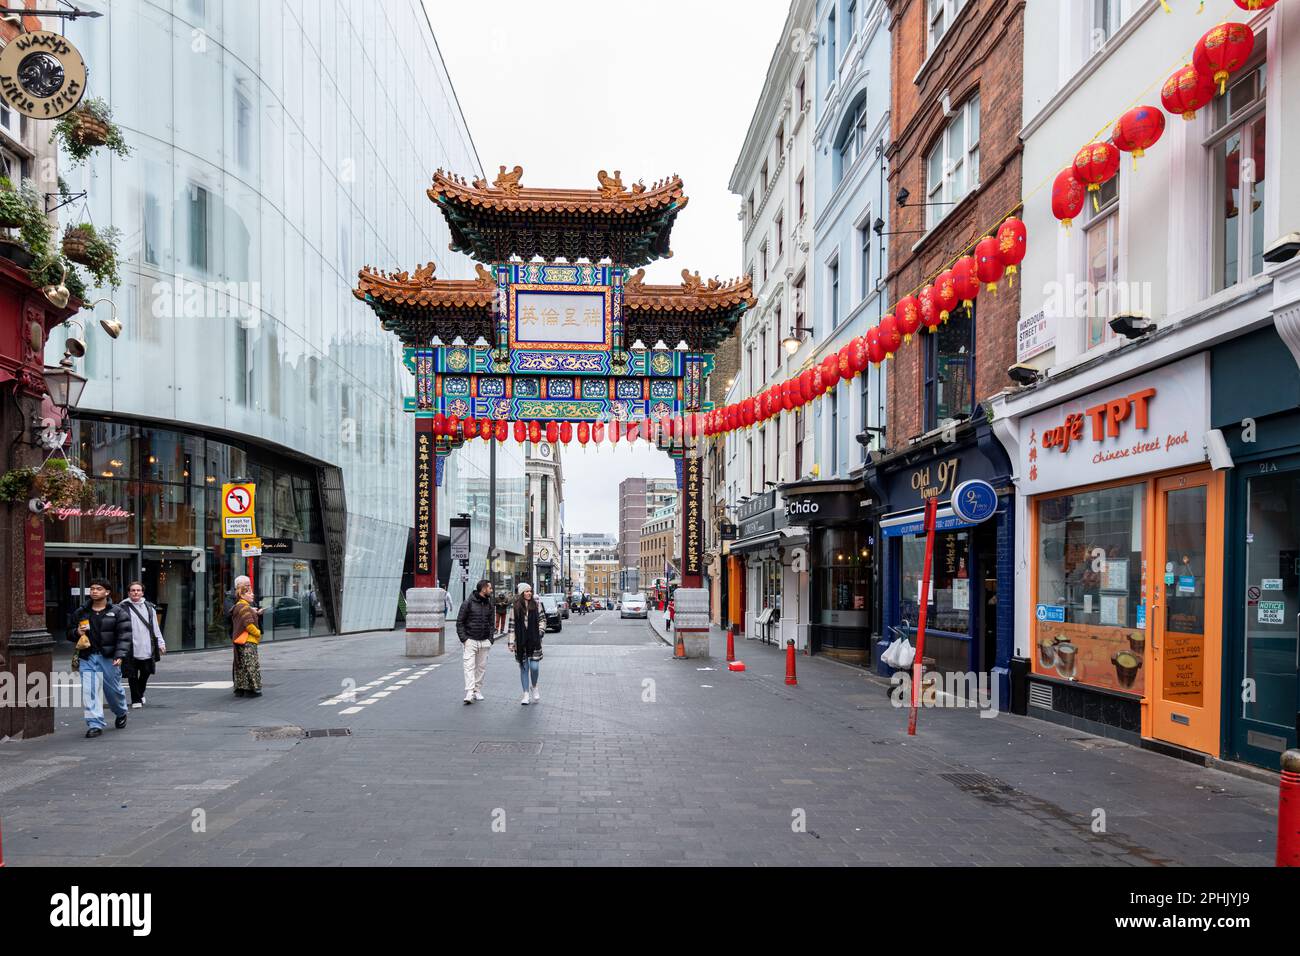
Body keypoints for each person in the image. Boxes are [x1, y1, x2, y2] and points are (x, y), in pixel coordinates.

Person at [68, 578, 131, 738]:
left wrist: (120, 655)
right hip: (87, 657)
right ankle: (95, 724)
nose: (94, 591)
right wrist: (77, 633)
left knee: (113, 691)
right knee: (89, 691)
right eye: (92, 588)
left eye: (98, 588)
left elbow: (124, 636)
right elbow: (68, 633)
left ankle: (121, 711)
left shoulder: (117, 612)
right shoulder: (81, 612)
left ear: (107, 592)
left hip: (109, 658)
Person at [120, 581, 166, 708]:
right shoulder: (122, 607)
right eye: (133, 590)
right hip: (130, 647)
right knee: (132, 674)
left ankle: (139, 693)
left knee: (146, 672)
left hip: (146, 646)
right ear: (129, 593)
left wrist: (161, 642)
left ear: (142, 592)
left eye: (138, 590)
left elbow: (155, 627)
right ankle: (136, 699)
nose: (136, 592)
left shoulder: (149, 607)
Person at [457, 579, 496, 704]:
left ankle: (477, 690)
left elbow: (491, 624)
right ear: (483, 589)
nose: (491, 590)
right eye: (490, 588)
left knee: (481, 668)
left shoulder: (489, 604)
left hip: (484, 641)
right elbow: (460, 623)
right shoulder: (468, 603)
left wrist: (490, 639)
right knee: (469, 666)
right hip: (470, 640)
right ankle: (469, 692)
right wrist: (464, 639)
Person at [230, 577, 265, 698]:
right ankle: (253, 689)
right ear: (243, 595)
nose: (252, 594)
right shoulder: (244, 607)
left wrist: (254, 612)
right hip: (248, 640)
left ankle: (242, 689)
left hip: (241, 639)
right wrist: (258, 633)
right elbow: (249, 625)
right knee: (251, 665)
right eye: (249, 592)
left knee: (242, 665)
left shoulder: (241, 606)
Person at [510, 582, 544, 705]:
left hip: (534, 641)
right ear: (521, 593)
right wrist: (510, 642)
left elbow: (542, 620)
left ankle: (534, 686)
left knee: (534, 667)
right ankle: (525, 694)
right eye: (526, 591)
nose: (529, 593)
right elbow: (512, 625)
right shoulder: (515, 607)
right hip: (521, 642)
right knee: (524, 668)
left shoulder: (537, 605)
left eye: (530, 591)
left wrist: (540, 632)